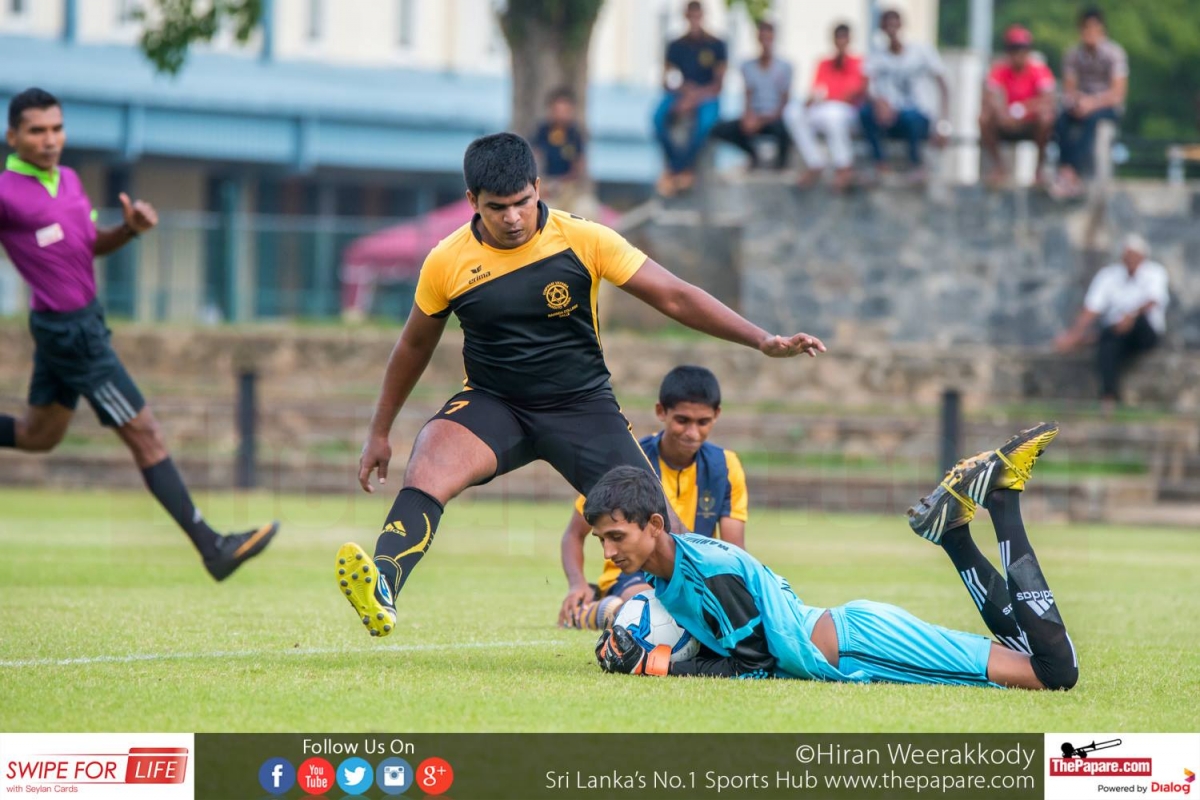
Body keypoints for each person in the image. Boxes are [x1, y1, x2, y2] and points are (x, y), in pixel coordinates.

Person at [337, 133, 825, 638]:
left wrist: (761, 339)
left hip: (582, 407)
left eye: (523, 202)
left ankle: (744, 632)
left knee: (658, 525)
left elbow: (675, 296)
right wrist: (380, 431)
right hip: (493, 403)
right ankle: (383, 585)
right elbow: (413, 345)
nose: (513, 218)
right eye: (497, 207)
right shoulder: (446, 260)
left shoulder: (584, 239)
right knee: (429, 460)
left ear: (538, 187)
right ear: (472, 202)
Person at [0, 88, 278, 581]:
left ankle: (212, 546)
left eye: (56, 128)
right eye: (37, 131)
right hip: (70, 334)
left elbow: (88, 246)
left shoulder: (68, 180)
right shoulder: (6, 193)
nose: (50, 140)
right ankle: (213, 546)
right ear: (12, 137)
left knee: (38, 436)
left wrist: (128, 229)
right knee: (146, 433)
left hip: (80, 321)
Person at [592, 422, 1079, 693]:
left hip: (865, 648)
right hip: (855, 635)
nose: (610, 552)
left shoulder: (708, 572)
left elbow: (753, 666)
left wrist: (656, 666)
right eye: (601, 541)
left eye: (617, 537)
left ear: (654, 525)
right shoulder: (668, 572)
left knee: (1054, 673)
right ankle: (952, 535)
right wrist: (616, 636)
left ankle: (1002, 501)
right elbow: (720, 643)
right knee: (1026, 652)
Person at [558, 366, 748, 630]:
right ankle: (595, 611)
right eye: (682, 420)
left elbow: (733, 551)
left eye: (702, 422)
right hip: (631, 576)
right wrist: (577, 583)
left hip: (690, 576)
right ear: (661, 412)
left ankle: (611, 610)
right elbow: (574, 534)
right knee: (651, 612)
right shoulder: (627, 458)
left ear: (716, 415)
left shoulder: (726, 466)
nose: (692, 432)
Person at [1055, 234, 1168, 408]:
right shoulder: (1108, 275)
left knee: (1127, 325)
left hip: (1144, 331)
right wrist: (1073, 334)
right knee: (1107, 347)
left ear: (1142, 257)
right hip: (1115, 333)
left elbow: (1153, 301)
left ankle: (1092, 338)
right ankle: (1109, 397)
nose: (1130, 260)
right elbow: (1091, 308)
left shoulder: (1155, 272)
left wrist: (1131, 316)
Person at [859, 9, 950, 182]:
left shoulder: (921, 51)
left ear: (901, 25)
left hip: (918, 116)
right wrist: (878, 102)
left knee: (911, 117)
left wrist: (943, 124)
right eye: (887, 24)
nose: (891, 29)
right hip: (891, 116)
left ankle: (917, 164)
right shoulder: (877, 55)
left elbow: (943, 85)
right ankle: (880, 163)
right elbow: (865, 87)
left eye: (894, 23)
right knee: (865, 113)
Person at [652, 1, 727, 196]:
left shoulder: (716, 44)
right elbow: (666, 80)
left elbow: (718, 85)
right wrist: (683, 93)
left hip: (706, 96)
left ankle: (680, 168)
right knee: (658, 118)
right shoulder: (676, 45)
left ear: (703, 16)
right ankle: (678, 168)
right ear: (685, 17)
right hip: (682, 93)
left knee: (704, 125)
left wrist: (695, 97)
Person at [1053, 8, 1128, 199]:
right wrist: (1078, 102)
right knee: (1061, 120)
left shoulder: (1114, 53)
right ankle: (1065, 170)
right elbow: (1069, 89)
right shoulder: (1073, 55)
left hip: (1106, 106)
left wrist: (1092, 103)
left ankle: (1073, 172)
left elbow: (1117, 93)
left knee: (1091, 122)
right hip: (1081, 103)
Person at [784, 23, 866, 190]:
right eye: (838, 37)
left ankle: (844, 167)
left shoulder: (859, 62)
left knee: (832, 113)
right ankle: (815, 162)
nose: (841, 41)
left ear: (849, 39)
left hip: (847, 112)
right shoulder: (824, 63)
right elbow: (817, 90)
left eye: (844, 37)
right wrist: (810, 100)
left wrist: (828, 97)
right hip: (825, 108)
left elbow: (851, 94)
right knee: (792, 112)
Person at [980, 25, 1057, 186]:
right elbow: (989, 96)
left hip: (1030, 123)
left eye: (1022, 49)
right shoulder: (999, 70)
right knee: (984, 118)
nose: (1018, 54)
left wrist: (1022, 111)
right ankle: (999, 167)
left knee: (1046, 118)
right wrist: (1003, 114)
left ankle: (1038, 170)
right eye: (1014, 49)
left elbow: (1048, 99)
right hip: (1005, 122)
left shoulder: (1039, 70)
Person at [710, 20, 792, 171]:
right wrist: (748, 116)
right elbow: (748, 94)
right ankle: (753, 155)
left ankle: (780, 166)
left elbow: (784, 100)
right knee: (719, 130)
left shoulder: (784, 67)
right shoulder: (748, 66)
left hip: (773, 119)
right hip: (754, 117)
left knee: (785, 132)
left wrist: (762, 120)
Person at [531, 88, 588, 214]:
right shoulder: (542, 132)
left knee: (585, 210)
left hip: (568, 189)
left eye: (565, 111)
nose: (561, 115)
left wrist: (564, 183)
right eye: (558, 110)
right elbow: (535, 158)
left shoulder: (575, 134)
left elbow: (579, 165)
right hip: (545, 186)